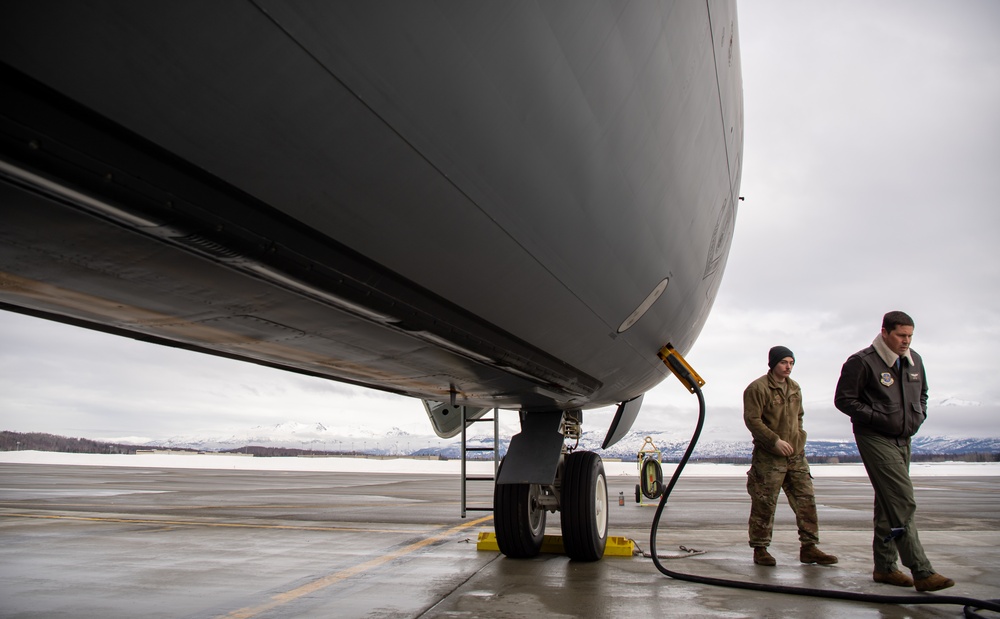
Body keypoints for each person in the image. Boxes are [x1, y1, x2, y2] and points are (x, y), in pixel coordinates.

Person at [834, 311, 955, 592]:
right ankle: (922, 570)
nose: (906, 341)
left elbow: (922, 393)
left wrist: (918, 415)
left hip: (904, 438)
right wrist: (878, 417)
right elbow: (844, 400)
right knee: (902, 499)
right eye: (901, 335)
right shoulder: (862, 362)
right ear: (885, 332)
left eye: (910, 336)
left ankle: (885, 567)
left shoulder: (915, 362)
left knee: (888, 502)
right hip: (875, 437)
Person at [743, 345, 837, 567]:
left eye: (791, 363)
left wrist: (799, 437)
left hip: (795, 455)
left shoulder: (794, 388)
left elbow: (799, 416)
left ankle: (810, 547)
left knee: (806, 499)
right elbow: (753, 420)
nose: (788, 367)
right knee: (764, 502)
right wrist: (774, 441)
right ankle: (760, 548)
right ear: (773, 363)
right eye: (784, 362)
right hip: (769, 457)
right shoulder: (758, 388)